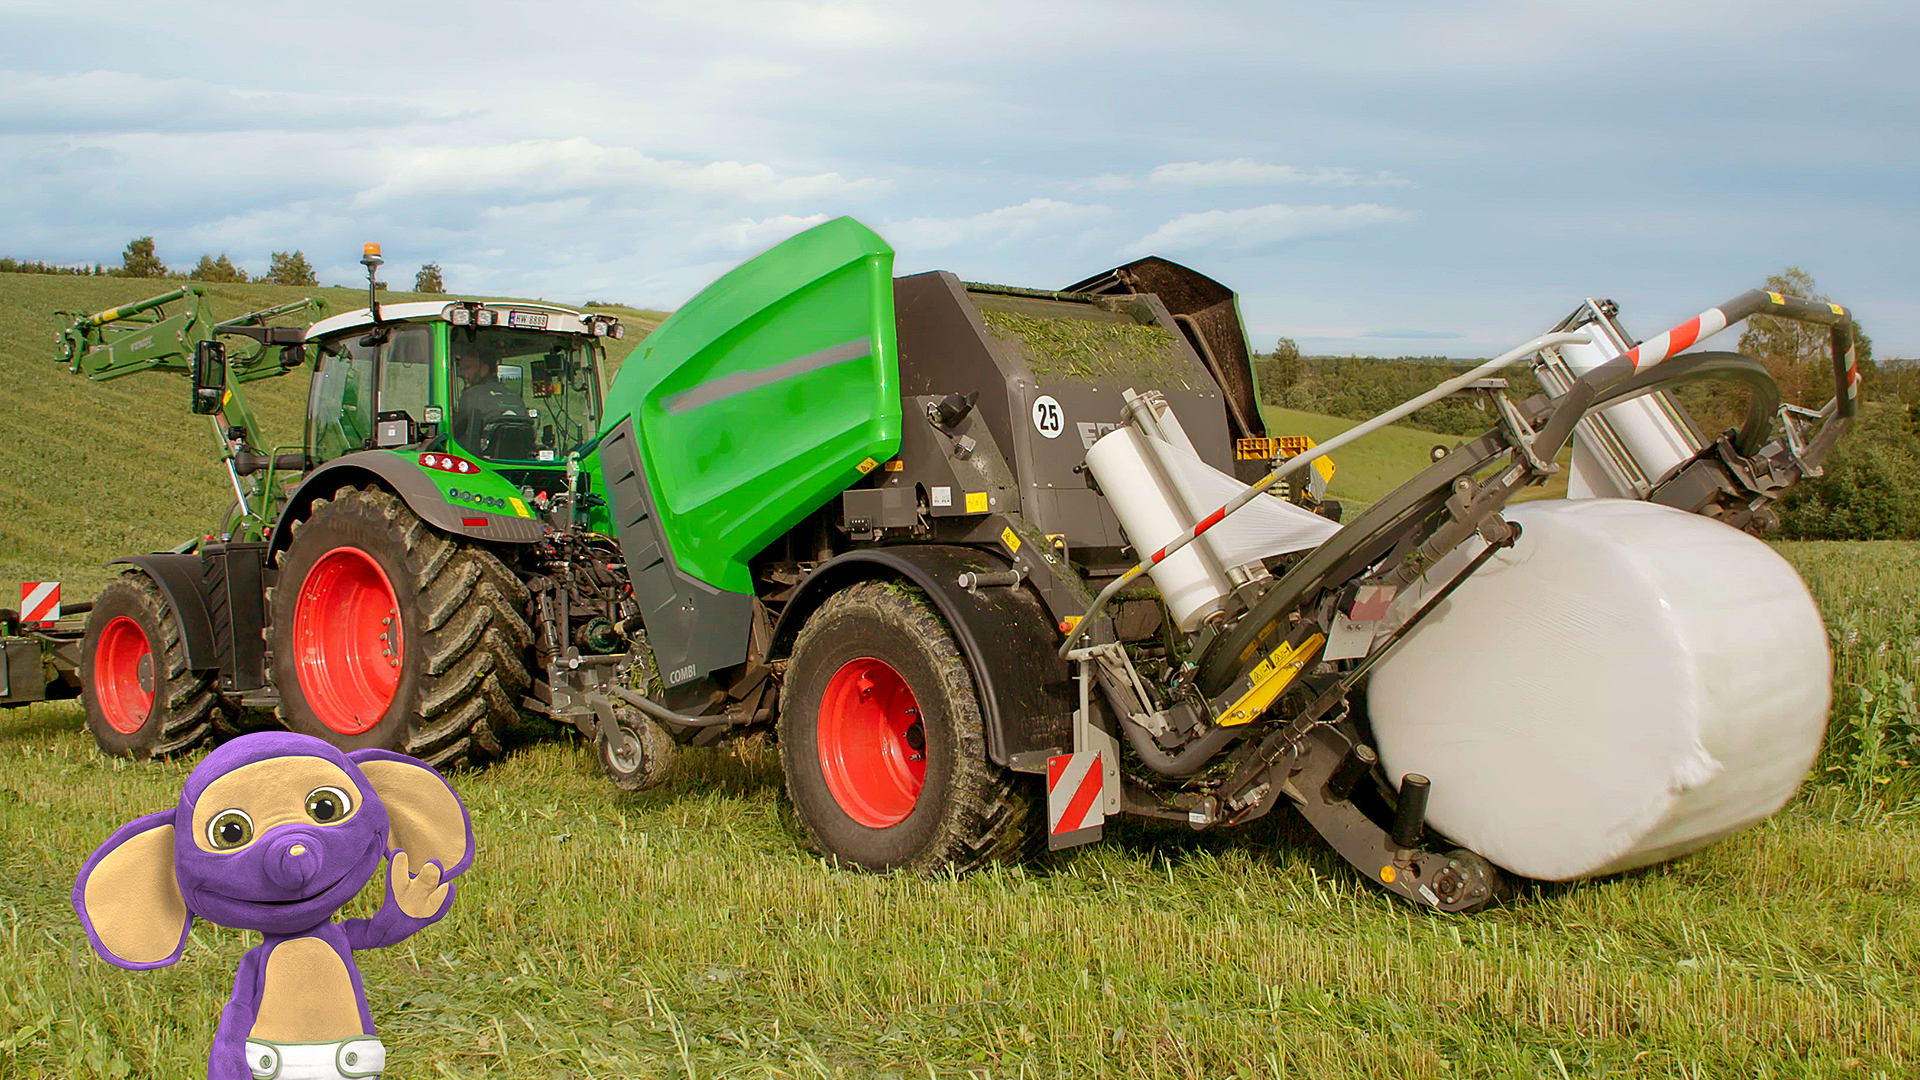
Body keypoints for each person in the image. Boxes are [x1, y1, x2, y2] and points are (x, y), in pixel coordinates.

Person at [453, 347, 528, 452]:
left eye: (467, 368)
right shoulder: (515, 396)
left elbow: (455, 430)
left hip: (479, 458)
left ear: (484, 368)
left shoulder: (471, 395)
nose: (462, 373)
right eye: (461, 369)